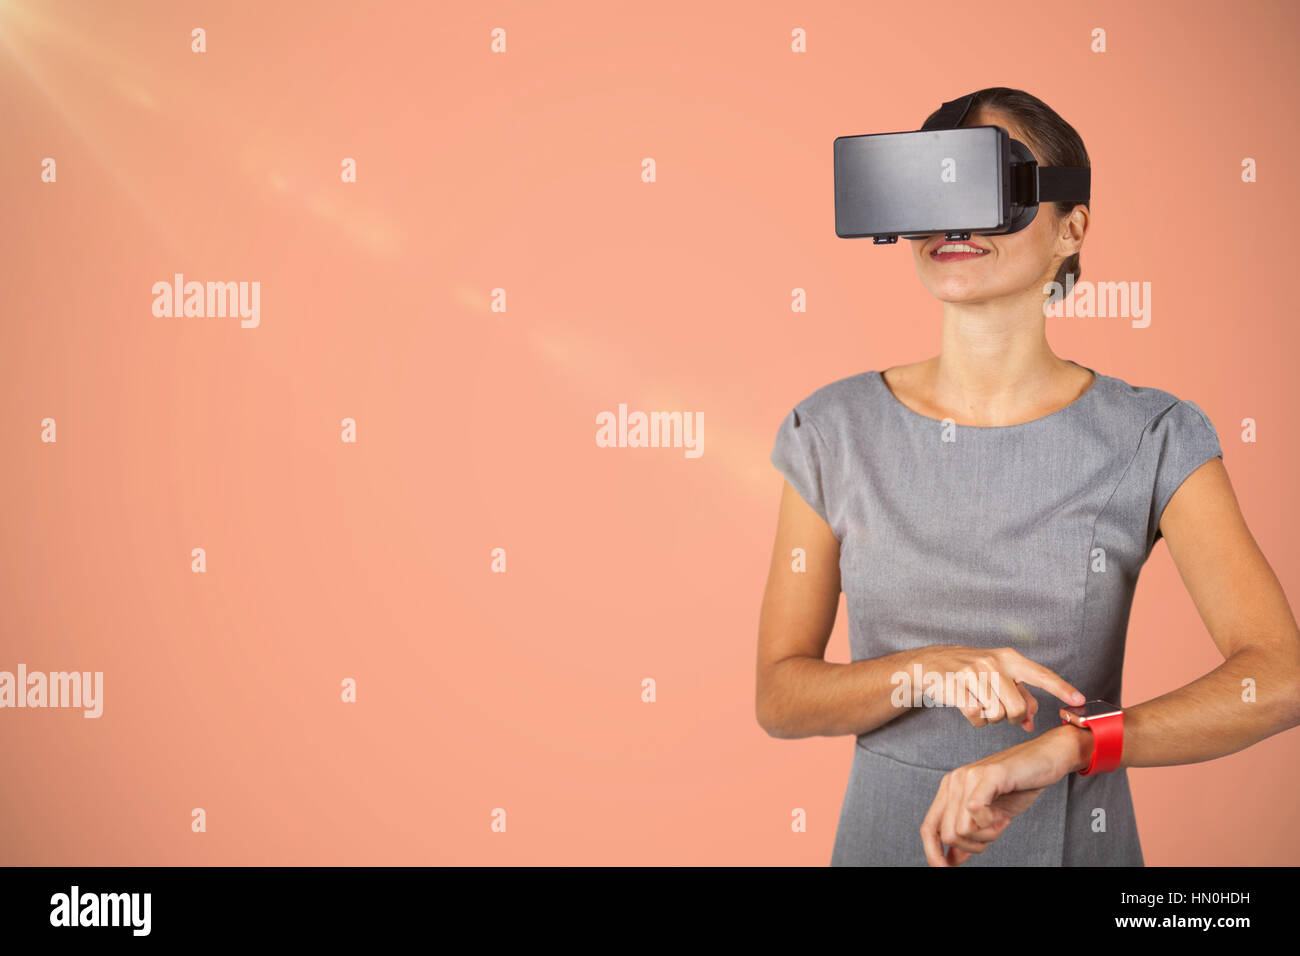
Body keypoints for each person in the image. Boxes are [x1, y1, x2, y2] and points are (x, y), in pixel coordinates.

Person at [755, 87, 1300, 866]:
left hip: (1078, 839)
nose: (954, 222)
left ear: (1070, 226)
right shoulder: (833, 430)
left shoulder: (1152, 435)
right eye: (932, 187)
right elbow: (780, 697)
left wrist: (1077, 746)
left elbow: (1279, 677)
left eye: (988, 186)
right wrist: (931, 673)